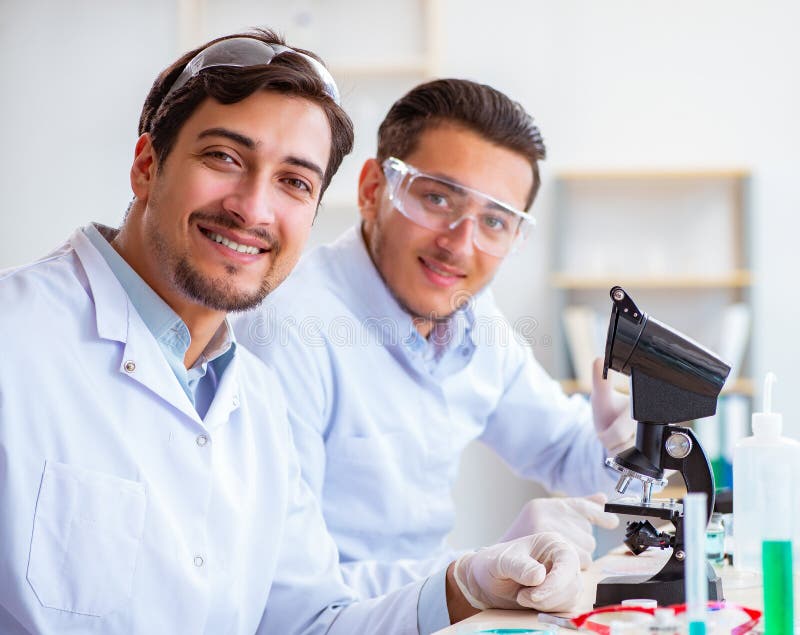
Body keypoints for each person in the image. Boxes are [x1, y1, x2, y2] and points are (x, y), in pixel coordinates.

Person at [0, 32, 584, 634]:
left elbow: (307, 621)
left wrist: (467, 585)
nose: (253, 209)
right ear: (147, 166)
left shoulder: (251, 398)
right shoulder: (15, 342)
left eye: (295, 182)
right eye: (224, 157)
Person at [234, 78, 635, 599]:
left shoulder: (470, 320)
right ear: (373, 191)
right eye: (438, 198)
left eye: (494, 221)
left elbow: (564, 453)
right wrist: (473, 574)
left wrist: (623, 444)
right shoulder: (289, 331)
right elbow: (287, 594)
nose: (460, 246)